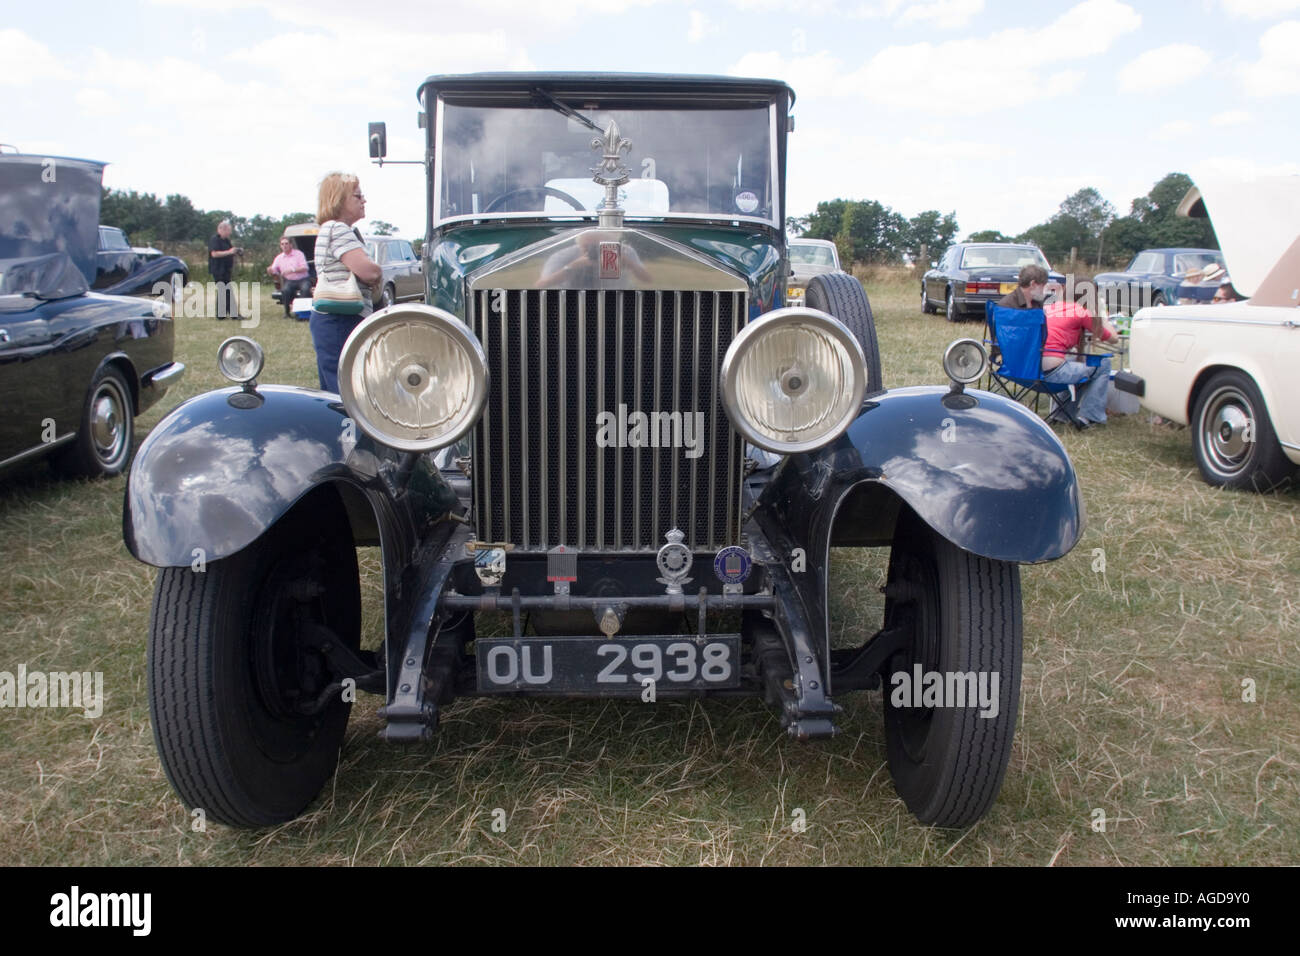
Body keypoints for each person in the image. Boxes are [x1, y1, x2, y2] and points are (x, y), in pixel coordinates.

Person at [309, 172, 382, 392]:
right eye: (357, 196)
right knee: (347, 389)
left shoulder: (329, 229)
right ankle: (346, 427)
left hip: (332, 319)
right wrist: (378, 270)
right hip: (342, 319)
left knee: (335, 383)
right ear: (338, 200)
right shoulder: (338, 229)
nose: (363, 201)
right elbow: (368, 272)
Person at [1041, 295, 1120, 428]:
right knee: (1103, 364)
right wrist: (1101, 316)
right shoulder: (1081, 312)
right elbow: (1113, 338)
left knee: (1080, 365)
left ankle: (1061, 414)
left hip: (1035, 370)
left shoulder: (1050, 308)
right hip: (1054, 373)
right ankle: (1090, 416)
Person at [208, 220, 244, 320]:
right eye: (228, 230)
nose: (229, 233)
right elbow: (214, 254)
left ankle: (221, 314)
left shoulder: (226, 241)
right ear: (221, 230)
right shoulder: (214, 240)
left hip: (226, 269)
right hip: (218, 269)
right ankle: (232, 314)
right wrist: (229, 252)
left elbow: (230, 251)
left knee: (224, 291)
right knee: (225, 290)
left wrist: (236, 251)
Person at [268, 235, 311, 318]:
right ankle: (287, 312)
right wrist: (270, 271)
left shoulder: (299, 254)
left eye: (286, 243)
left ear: (291, 245)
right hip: (290, 281)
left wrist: (292, 270)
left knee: (305, 289)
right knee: (285, 290)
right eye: (282, 244)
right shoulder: (279, 258)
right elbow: (275, 270)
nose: (284, 246)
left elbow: (305, 267)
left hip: (303, 279)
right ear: (280, 246)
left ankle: (302, 313)